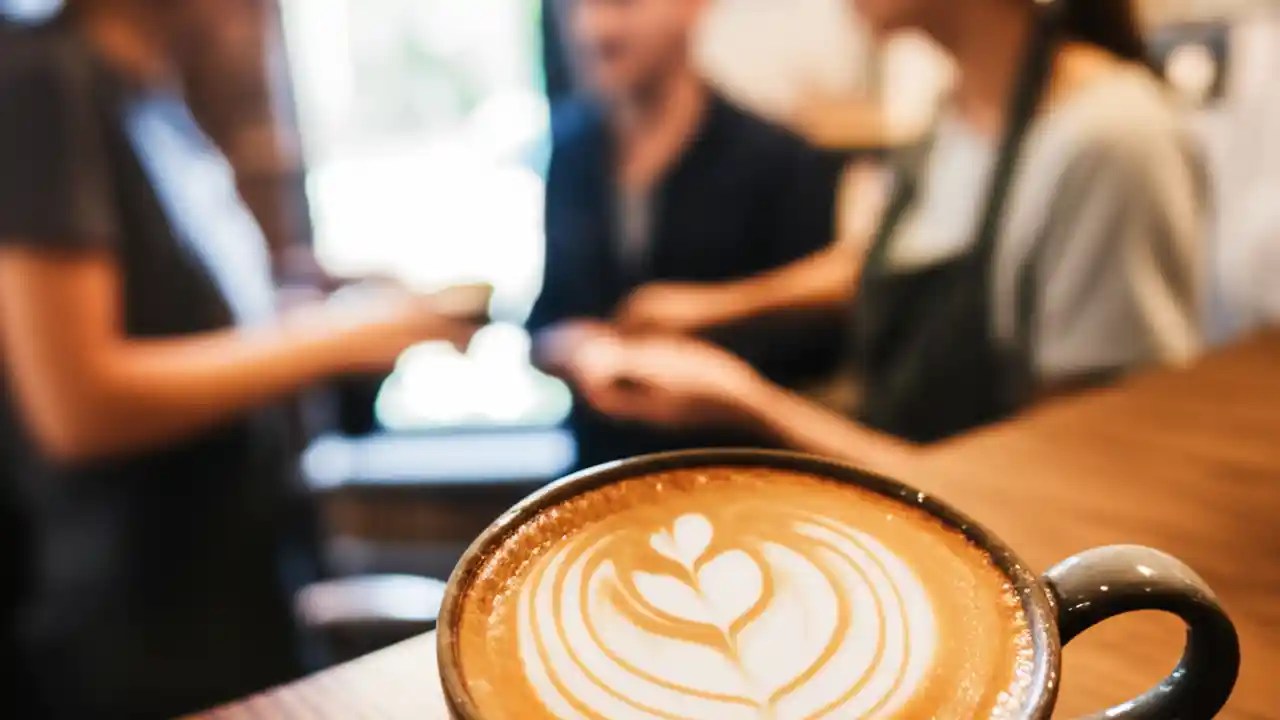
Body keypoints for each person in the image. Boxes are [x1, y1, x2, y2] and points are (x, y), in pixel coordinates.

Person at [0, 2, 481, 717]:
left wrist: (346, 301)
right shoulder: (42, 83)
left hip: (233, 590)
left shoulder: (152, 99)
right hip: (139, 630)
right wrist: (339, 337)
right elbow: (76, 405)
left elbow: (197, 320)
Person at [581, 0, 1204, 474]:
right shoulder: (954, 107)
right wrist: (714, 308)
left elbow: (1058, 479)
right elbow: (893, 260)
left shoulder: (1110, 140)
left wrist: (747, 403)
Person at [530, 0, 842, 468]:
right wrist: (578, 348)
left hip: (744, 476)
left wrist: (703, 330)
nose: (593, 28)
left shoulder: (779, 159)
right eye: (577, 7)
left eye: (622, 5)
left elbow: (822, 347)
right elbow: (546, 318)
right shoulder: (572, 153)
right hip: (599, 475)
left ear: (694, 7)